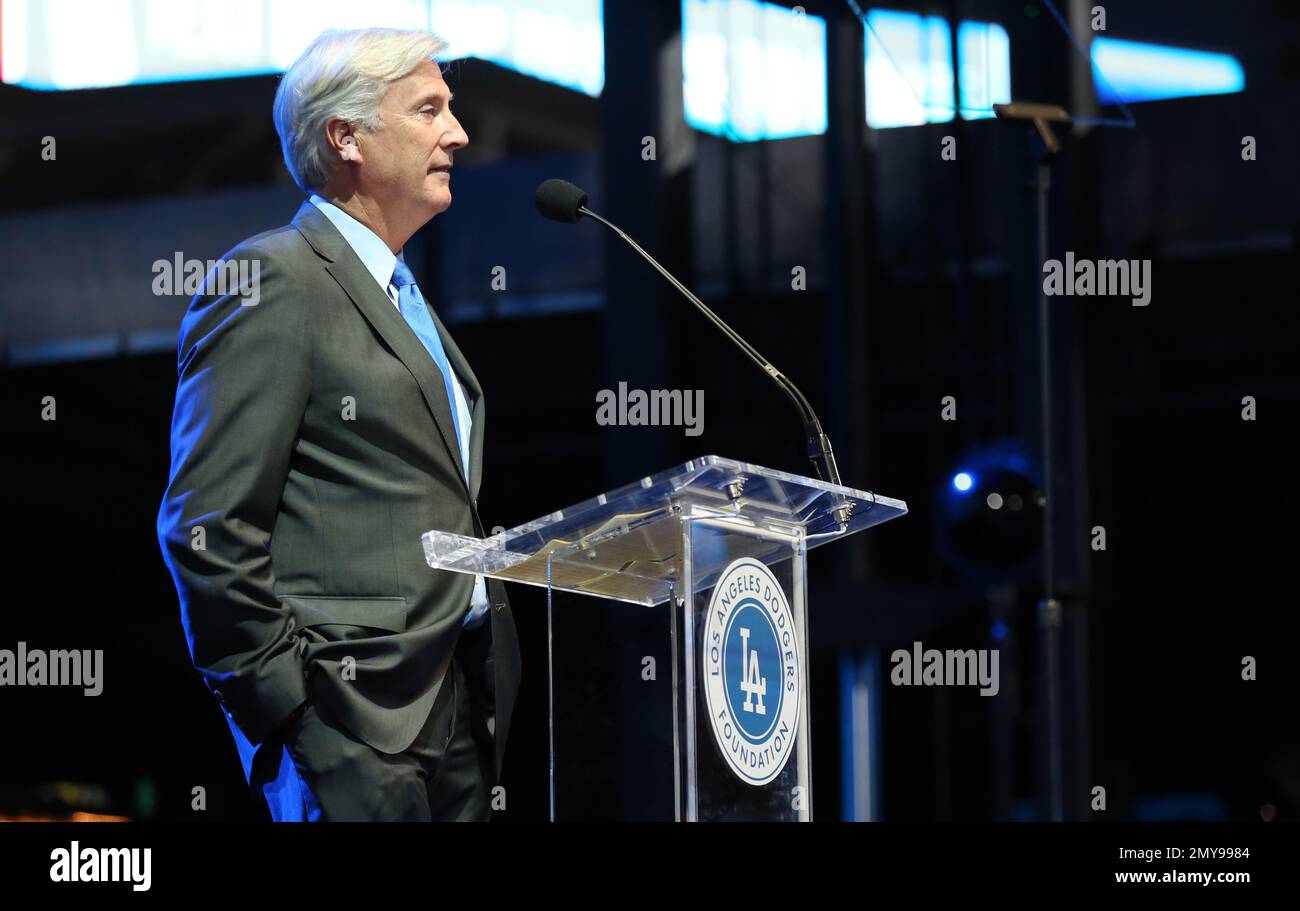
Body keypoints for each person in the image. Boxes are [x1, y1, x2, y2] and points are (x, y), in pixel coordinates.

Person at [156, 27, 520, 821]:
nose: (456, 132)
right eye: (429, 110)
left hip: (454, 709)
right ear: (346, 136)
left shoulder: (404, 295)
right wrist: (291, 711)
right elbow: (205, 526)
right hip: (347, 723)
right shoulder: (274, 277)